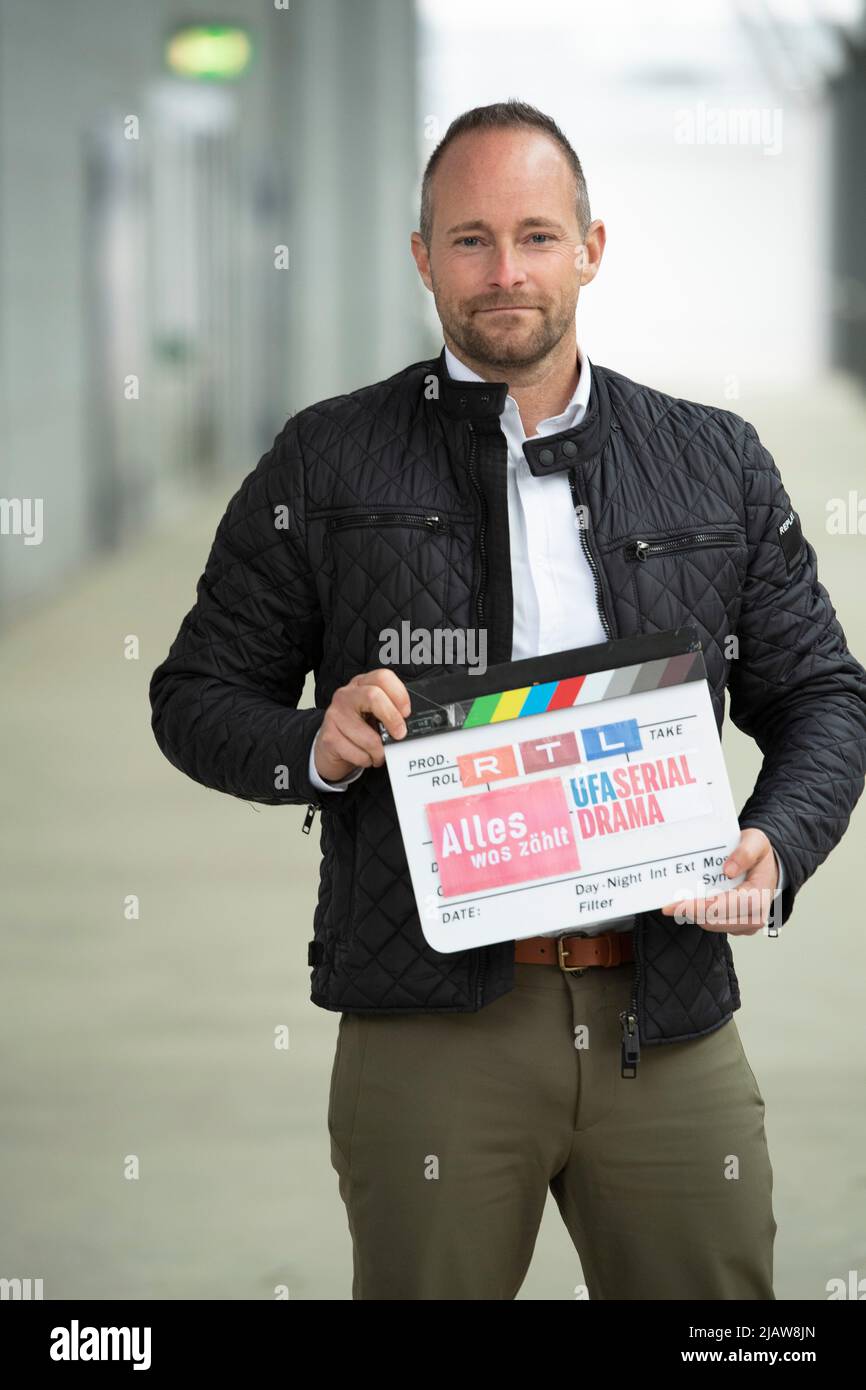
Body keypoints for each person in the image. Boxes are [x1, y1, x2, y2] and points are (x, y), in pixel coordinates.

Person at [149, 100, 866, 1300]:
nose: (503, 271)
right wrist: (310, 747)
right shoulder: (326, 461)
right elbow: (195, 693)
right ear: (422, 256)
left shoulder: (714, 457)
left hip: (668, 1013)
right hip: (430, 1025)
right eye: (469, 239)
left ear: (591, 247)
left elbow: (822, 696)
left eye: (535, 235)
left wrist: (776, 843)